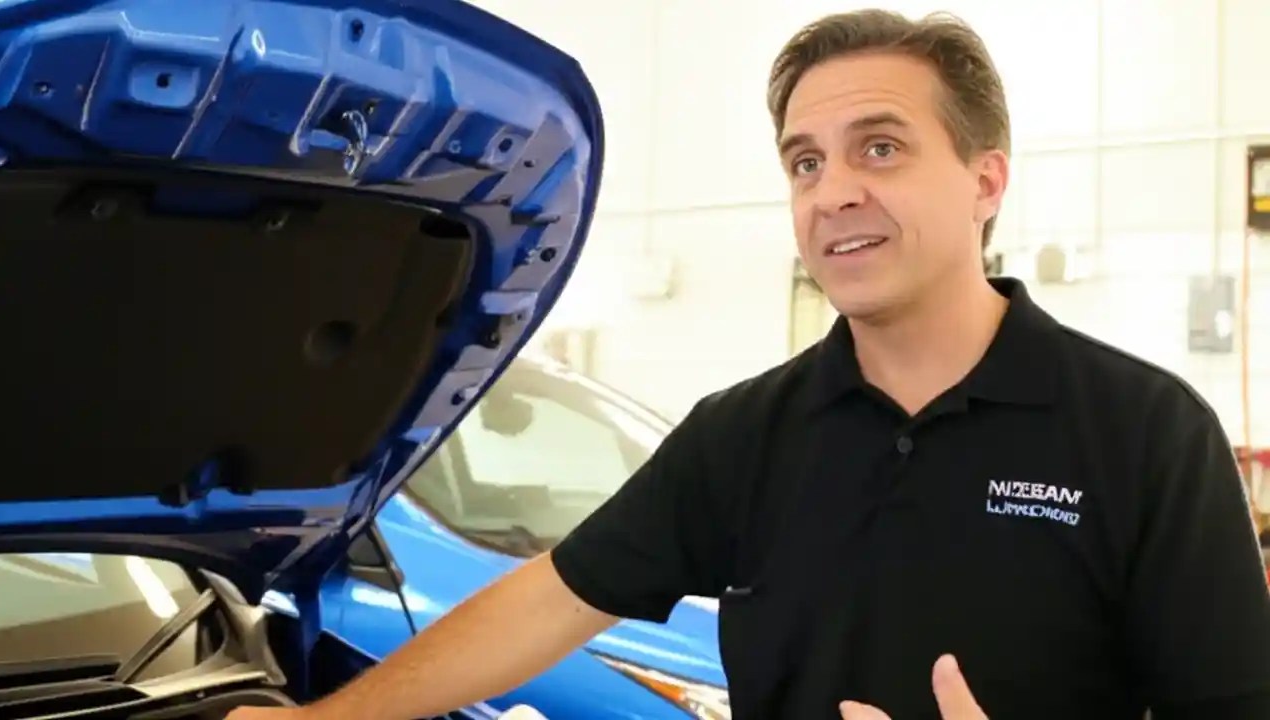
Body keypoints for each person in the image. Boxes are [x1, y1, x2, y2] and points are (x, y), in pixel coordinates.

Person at [227, 9, 1270, 720]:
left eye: (880, 148)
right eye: (803, 162)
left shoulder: (1141, 432)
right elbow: (552, 598)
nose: (831, 193)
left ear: (983, 179)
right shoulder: (748, 432)